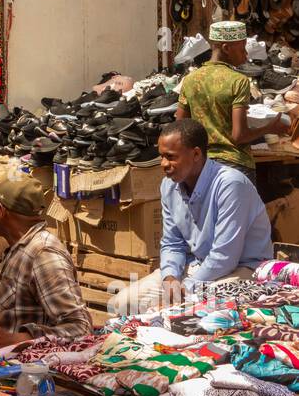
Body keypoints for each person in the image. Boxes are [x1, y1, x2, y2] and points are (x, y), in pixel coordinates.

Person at [110, 119, 274, 315]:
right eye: (161, 156)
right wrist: (170, 278)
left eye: (171, 157)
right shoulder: (168, 186)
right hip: (196, 267)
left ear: (196, 154)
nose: (164, 164)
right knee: (120, 304)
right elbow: (172, 243)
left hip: (242, 270)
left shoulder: (231, 185)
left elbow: (225, 257)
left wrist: (184, 289)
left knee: (182, 312)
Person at [0, 176, 93, 350]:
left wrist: (14, 339)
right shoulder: (20, 247)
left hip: (27, 370)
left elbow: (81, 329)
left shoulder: (43, 255)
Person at [176, 20, 290, 179]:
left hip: (200, 166)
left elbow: (180, 125)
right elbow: (239, 136)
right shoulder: (238, 81)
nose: (246, 54)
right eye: (242, 47)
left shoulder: (190, 79)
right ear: (226, 48)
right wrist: (269, 128)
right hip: (234, 167)